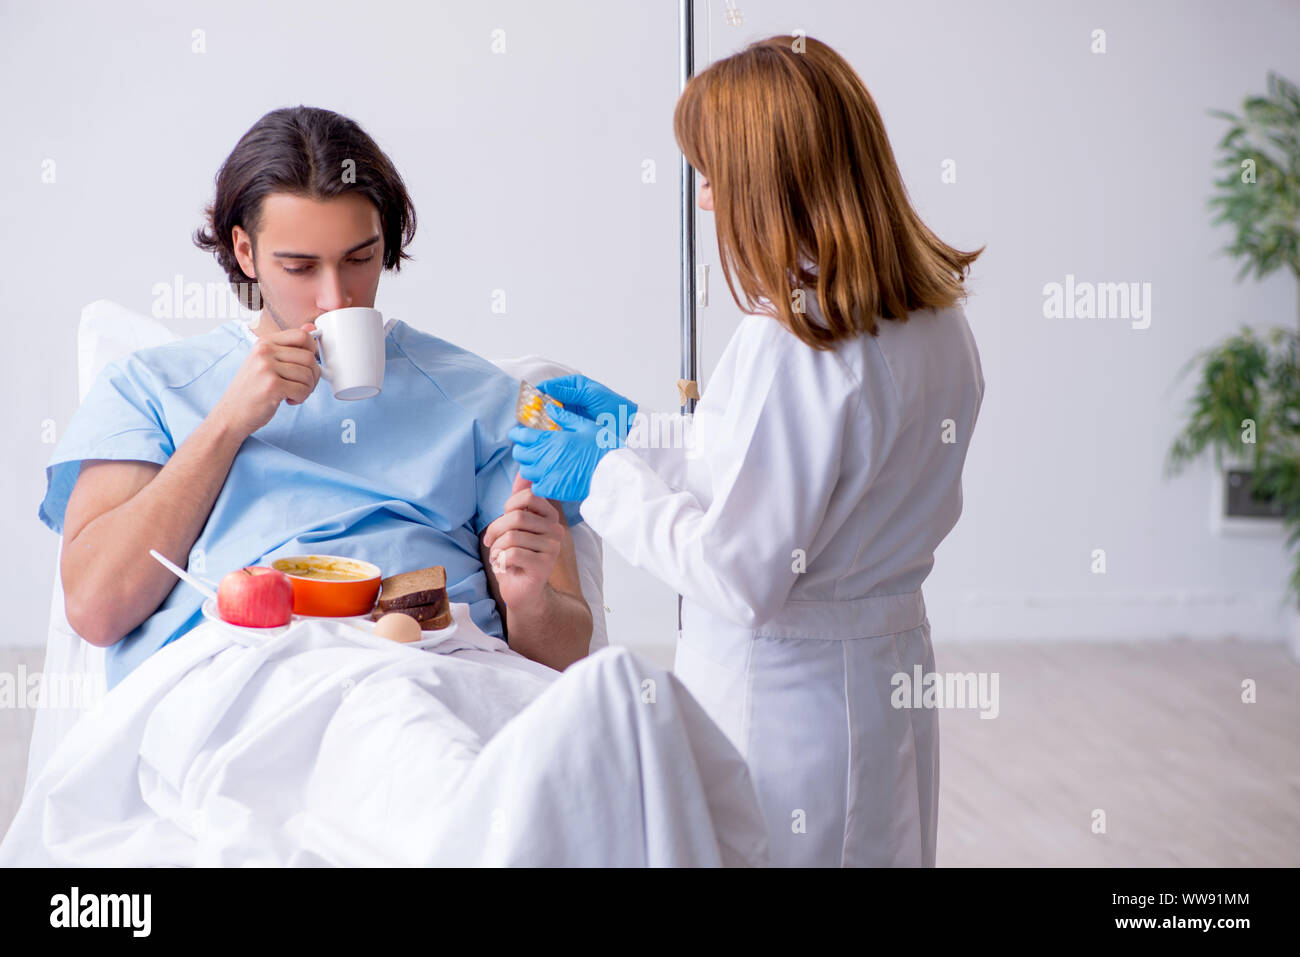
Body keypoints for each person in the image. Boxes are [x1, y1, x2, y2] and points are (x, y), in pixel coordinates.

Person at [511, 35, 985, 866]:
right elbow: (789, 476)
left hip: (787, 706)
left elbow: (740, 574)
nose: (704, 200)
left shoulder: (796, 339)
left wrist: (604, 477)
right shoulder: (934, 319)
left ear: (771, 180)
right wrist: (643, 435)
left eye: (713, 174)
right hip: (886, 680)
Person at [44, 106, 592, 689]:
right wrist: (227, 423)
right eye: (300, 267)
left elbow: (566, 660)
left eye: (359, 258)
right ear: (246, 253)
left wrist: (530, 602)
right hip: (243, 677)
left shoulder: (490, 400)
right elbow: (97, 610)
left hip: (441, 672)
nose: (336, 297)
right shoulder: (149, 387)